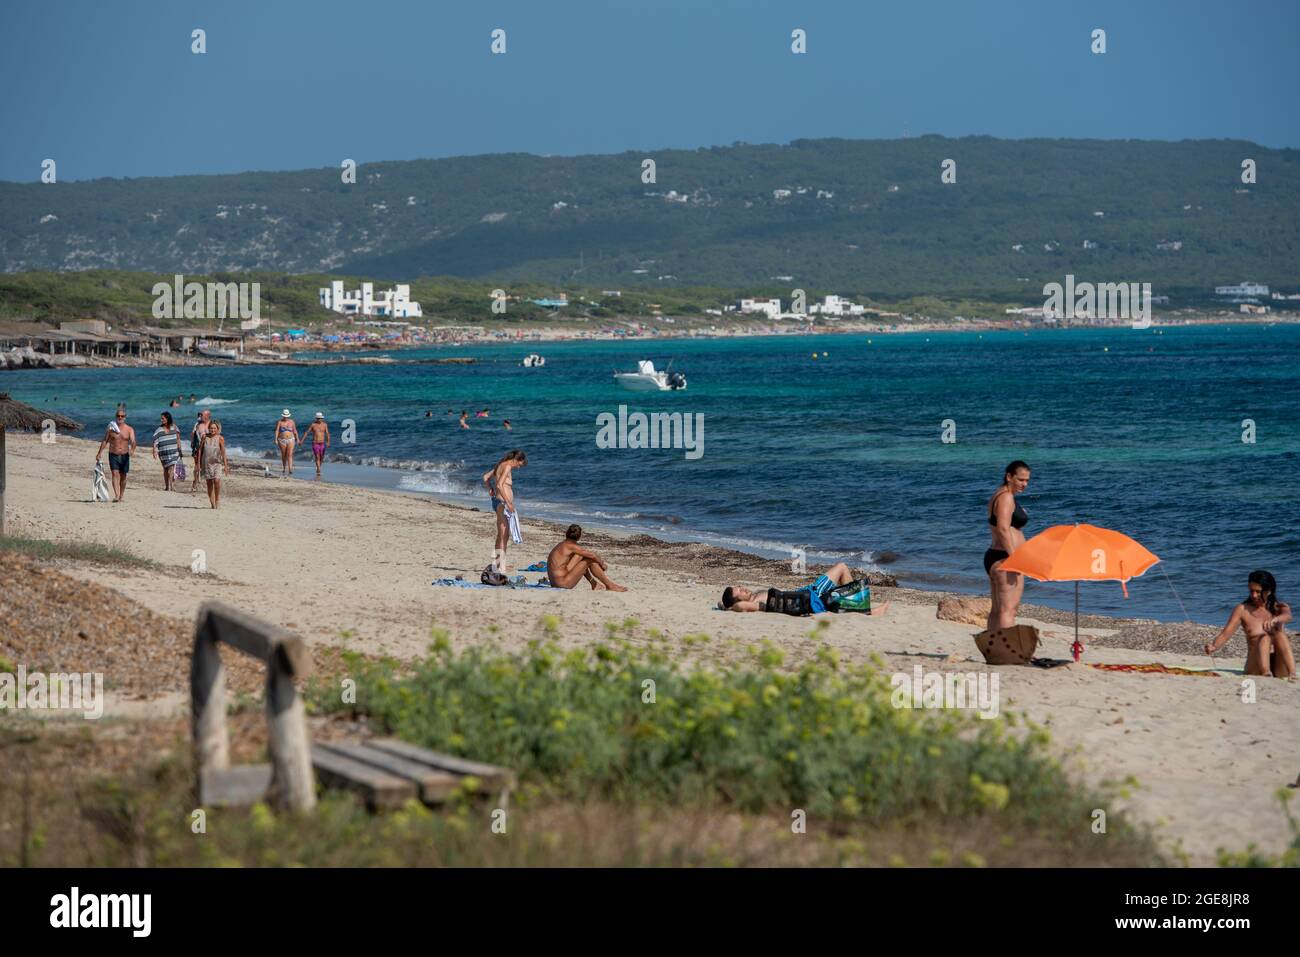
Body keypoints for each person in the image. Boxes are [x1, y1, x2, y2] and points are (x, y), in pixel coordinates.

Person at [1205, 570, 1295, 677]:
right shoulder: (1243, 609)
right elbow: (1226, 633)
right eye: (1251, 591)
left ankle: (1292, 673)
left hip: (1278, 665)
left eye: (1258, 591)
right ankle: (1266, 673)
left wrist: (1275, 620)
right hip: (1255, 665)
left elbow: (1288, 616)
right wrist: (1214, 646)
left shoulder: (1278, 607)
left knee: (1280, 635)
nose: (1254, 595)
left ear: (1269, 591)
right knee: (1264, 638)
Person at [721, 562, 888, 615]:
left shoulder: (755, 596)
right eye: (740, 592)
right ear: (737, 601)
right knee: (842, 568)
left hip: (808, 591)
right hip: (811, 599)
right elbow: (739, 607)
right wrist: (729, 607)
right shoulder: (754, 603)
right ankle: (866, 610)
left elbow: (732, 604)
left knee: (842, 570)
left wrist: (723, 606)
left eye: (740, 587)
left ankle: (860, 606)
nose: (743, 589)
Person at [985, 460, 1031, 631]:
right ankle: (1006, 650)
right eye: (1020, 479)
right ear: (1009, 476)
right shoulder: (1005, 497)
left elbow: (1006, 525)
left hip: (996, 556)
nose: (1024, 484)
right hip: (1005, 558)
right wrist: (1015, 558)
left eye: (1027, 480)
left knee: (998, 610)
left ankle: (995, 650)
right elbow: (1003, 529)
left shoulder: (1001, 495)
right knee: (1008, 611)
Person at [482, 450, 527, 571]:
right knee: (504, 535)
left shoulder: (499, 464)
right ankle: (501, 566)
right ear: (516, 459)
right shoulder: (507, 466)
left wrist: (489, 488)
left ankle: (497, 564)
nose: (518, 467)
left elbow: (486, 477)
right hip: (503, 504)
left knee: (502, 534)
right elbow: (500, 485)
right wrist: (508, 502)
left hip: (498, 503)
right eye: (519, 464)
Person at [546, 524, 627, 590]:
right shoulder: (571, 546)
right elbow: (593, 555)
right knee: (589, 560)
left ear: (566, 533)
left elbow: (585, 555)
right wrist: (602, 565)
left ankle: (594, 584)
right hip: (563, 583)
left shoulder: (562, 544)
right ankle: (610, 585)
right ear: (579, 536)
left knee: (580, 556)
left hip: (555, 582)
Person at [94, 406, 137, 502]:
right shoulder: (111, 428)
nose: (120, 417)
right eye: (118, 416)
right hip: (113, 454)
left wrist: (132, 450)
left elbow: (133, 441)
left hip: (125, 455)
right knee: (115, 473)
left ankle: (121, 495)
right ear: (116, 416)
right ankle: (117, 495)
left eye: (122, 416)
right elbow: (105, 440)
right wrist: (99, 453)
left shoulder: (129, 429)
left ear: (125, 417)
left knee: (123, 476)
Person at [198, 419, 229, 508]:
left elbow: (223, 452)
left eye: (214, 428)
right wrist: (198, 463)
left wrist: (226, 465)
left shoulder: (220, 438)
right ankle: (212, 502)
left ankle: (217, 499)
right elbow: (200, 450)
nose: (212, 430)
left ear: (218, 429)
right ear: (209, 428)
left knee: (216, 480)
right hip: (206, 463)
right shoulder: (204, 437)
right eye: (211, 428)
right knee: (209, 483)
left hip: (217, 463)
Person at [151, 411, 183, 491]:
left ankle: (171, 486)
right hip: (163, 453)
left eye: (163, 418)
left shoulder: (174, 427)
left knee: (172, 468)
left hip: (173, 451)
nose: (161, 420)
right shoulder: (159, 430)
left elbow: (178, 439)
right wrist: (154, 451)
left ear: (167, 418)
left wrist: (180, 449)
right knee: (166, 469)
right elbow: (155, 441)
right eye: (161, 418)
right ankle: (167, 486)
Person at [189, 409, 212, 491]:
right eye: (201, 415)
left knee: (207, 467)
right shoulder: (198, 424)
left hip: (208, 449)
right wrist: (192, 443)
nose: (200, 416)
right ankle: (195, 482)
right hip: (198, 448)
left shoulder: (212, 425)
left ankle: (205, 484)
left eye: (202, 415)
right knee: (197, 466)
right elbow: (192, 434)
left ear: (207, 416)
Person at [303, 412, 330, 479]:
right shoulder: (313, 425)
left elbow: (327, 433)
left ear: (322, 418)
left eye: (320, 418)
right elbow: (307, 432)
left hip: (322, 443)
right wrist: (302, 440)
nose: (319, 420)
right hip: (315, 443)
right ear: (316, 418)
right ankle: (318, 469)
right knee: (317, 457)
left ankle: (318, 467)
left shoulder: (325, 425)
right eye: (318, 418)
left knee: (321, 457)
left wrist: (328, 442)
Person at [274, 409, 299, 477]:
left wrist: (298, 439)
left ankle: (290, 469)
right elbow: (276, 431)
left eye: (287, 416)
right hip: (282, 440)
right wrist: (275, 439)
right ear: (283, 416)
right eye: (285, 416)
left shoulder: (292, 422)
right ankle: (284, 467)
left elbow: (295, 430)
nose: (286, 417)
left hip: (291, 439)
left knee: (290, 454)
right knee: (284, 454)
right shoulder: (279, 422)